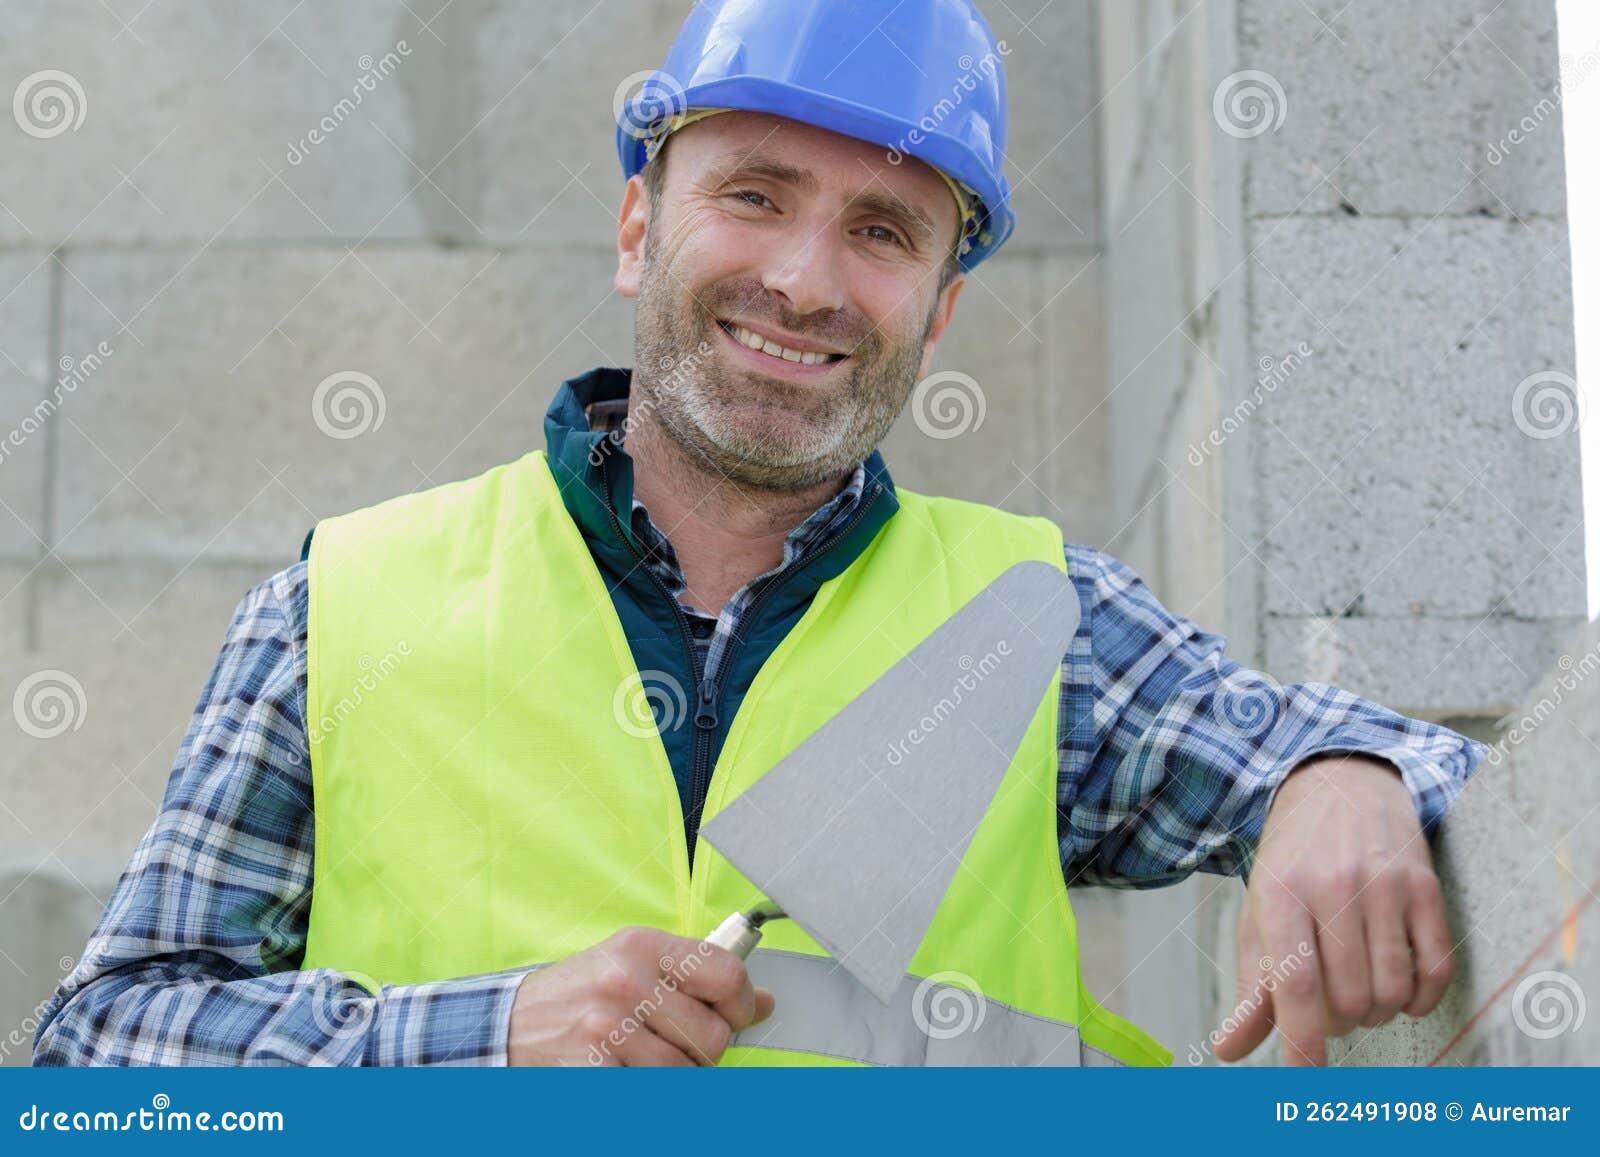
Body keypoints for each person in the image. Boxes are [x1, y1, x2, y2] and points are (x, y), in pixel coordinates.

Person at [35, 0, 1481, 1068]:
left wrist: (1338, 775)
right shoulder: (341, 610)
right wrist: (486, 1033)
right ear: (636, 229)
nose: (804, 280)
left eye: (883, 230)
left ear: (939, 311)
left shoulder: (1039, 627)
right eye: (754, 196)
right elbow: (102, 1051)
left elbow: (1458, 779)